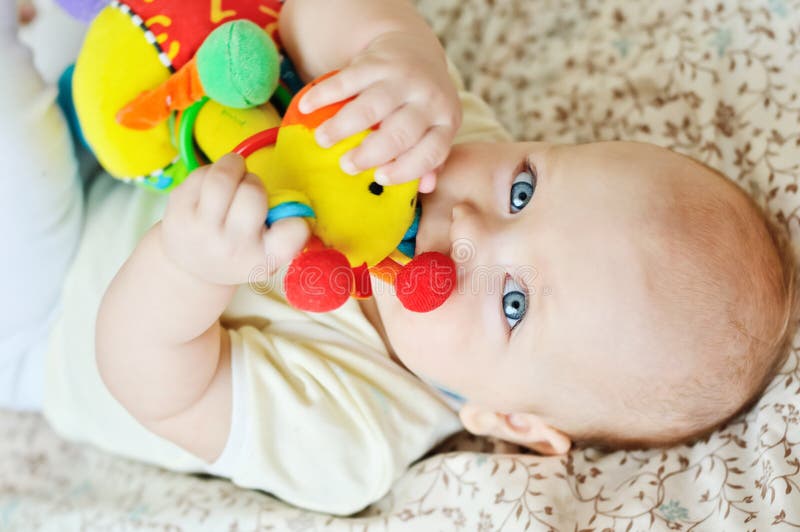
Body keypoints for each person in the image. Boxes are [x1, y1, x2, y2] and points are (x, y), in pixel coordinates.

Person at [2, 0, 796, 516]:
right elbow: (307, 14)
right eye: (524, 190)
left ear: (511, 422)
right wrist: (395, 50)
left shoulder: (354, 436)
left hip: (52, 305)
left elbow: (149, 379)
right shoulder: (442, 143)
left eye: (513, 303)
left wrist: (188, 268)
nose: (472, 223)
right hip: (132, 118)